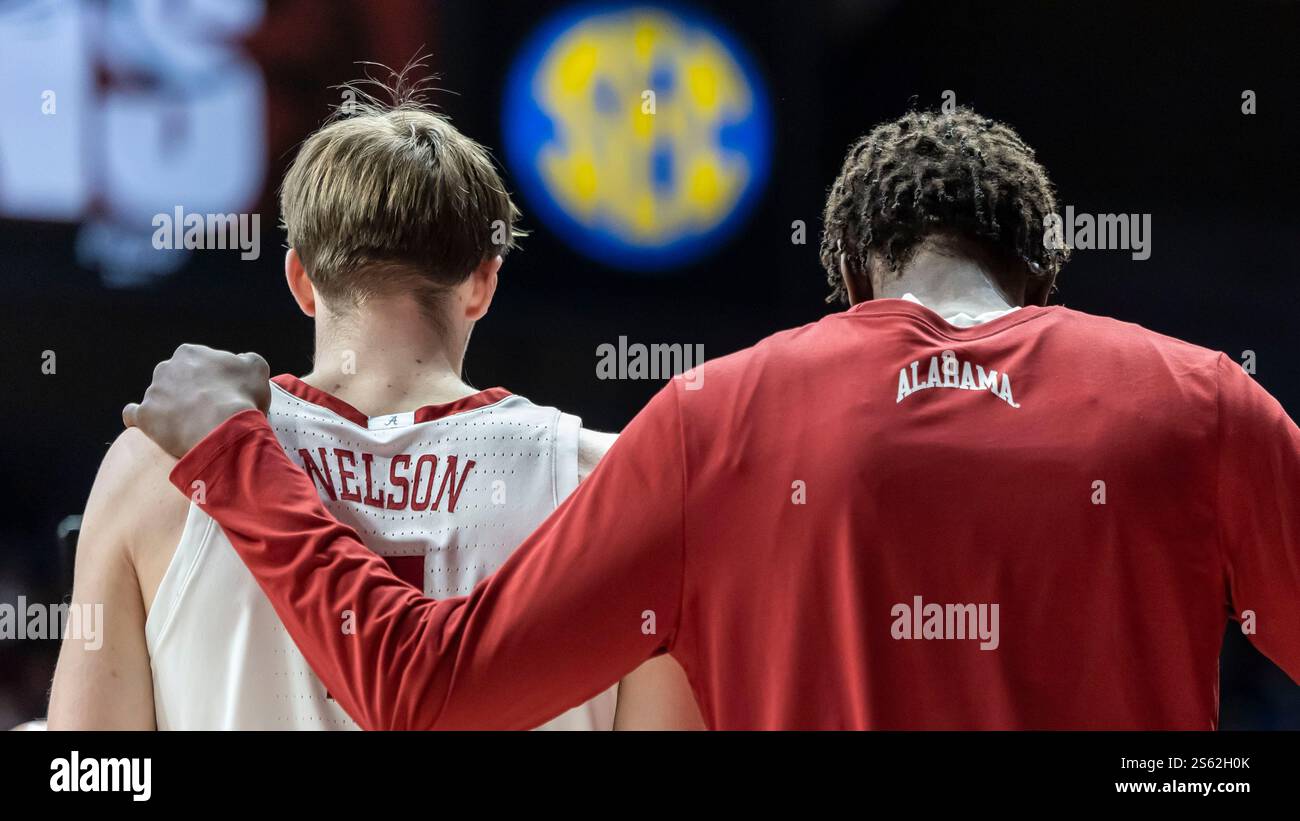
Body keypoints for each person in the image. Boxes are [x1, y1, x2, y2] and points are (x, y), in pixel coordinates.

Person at [123, 108, 1300, 729]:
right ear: (1044, 283)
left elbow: (422, 693)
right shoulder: (1199, 399)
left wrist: (237, 456)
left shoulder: (718, 412)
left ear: (842, 275)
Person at [48, 87, 702, 730]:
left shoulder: (154, 465)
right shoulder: (613, 480)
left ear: (300, 279)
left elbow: (87, 773)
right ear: (482, 281)